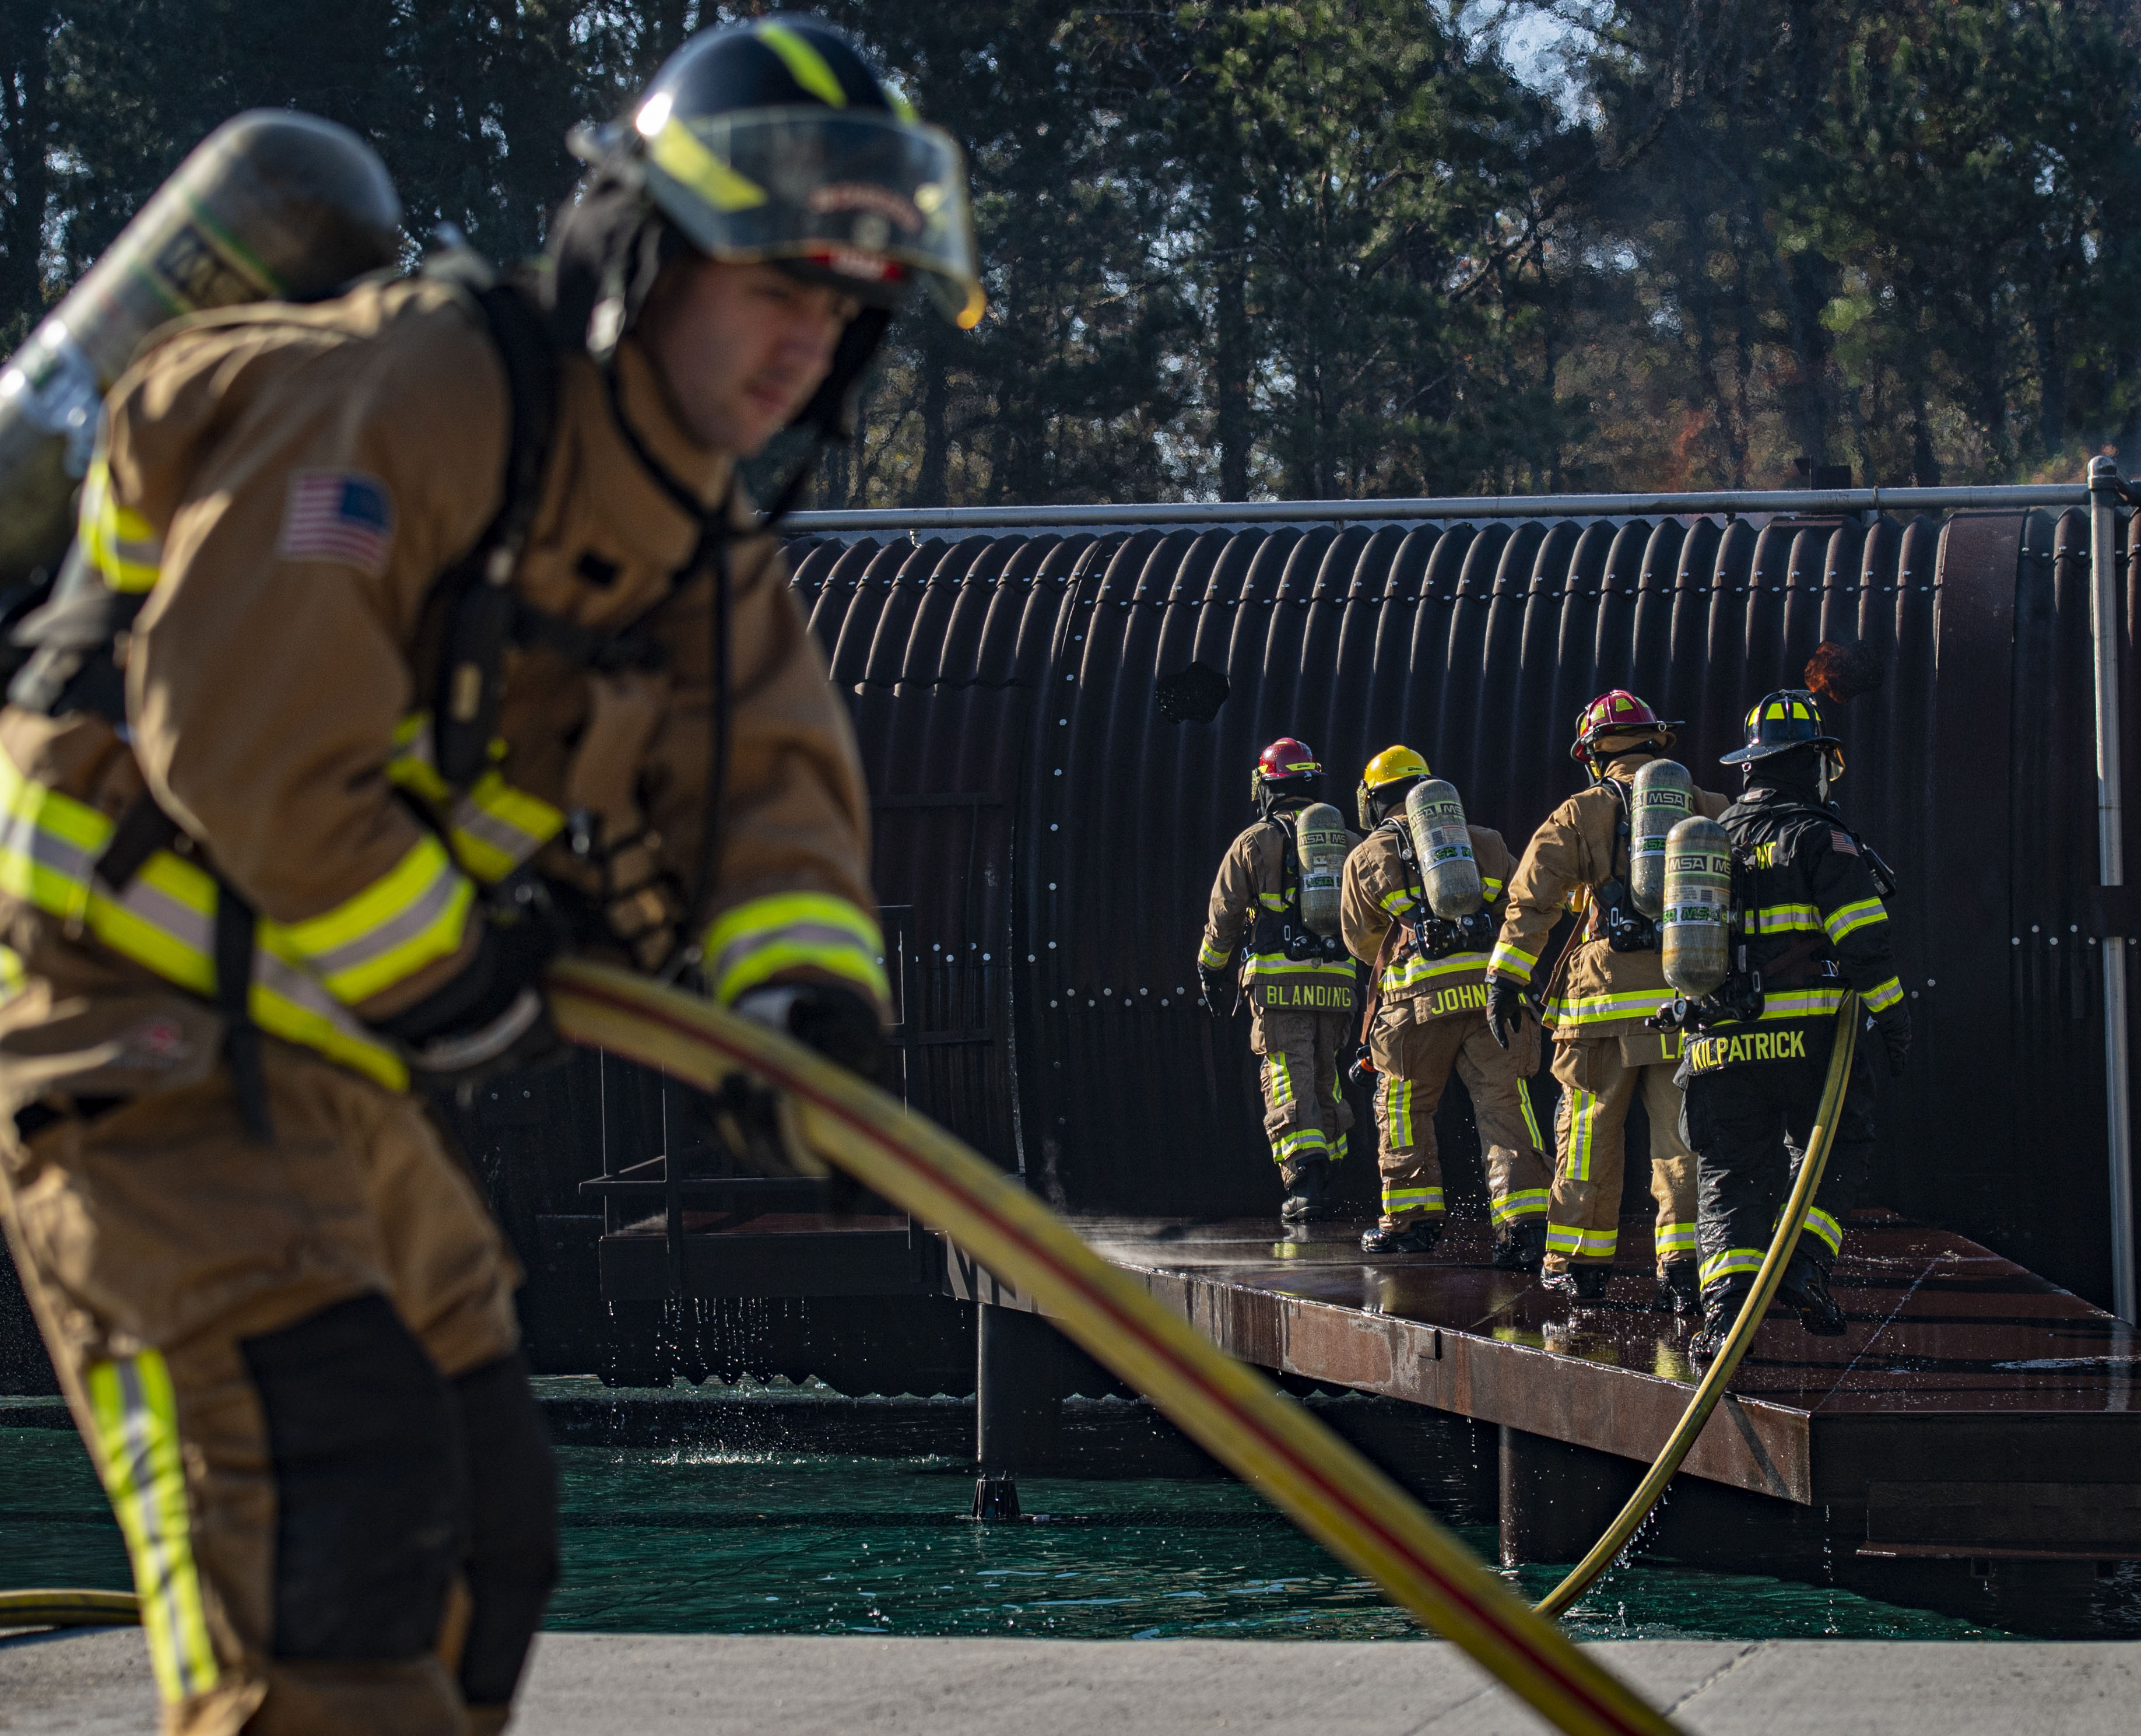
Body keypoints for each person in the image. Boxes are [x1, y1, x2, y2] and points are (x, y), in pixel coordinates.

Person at [0, 16, 978, 1733]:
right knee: (336, 1507)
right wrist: (462, 970)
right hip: (128, 1040)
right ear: (641, 257)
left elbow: (769, 797)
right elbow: (253, 744)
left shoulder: (691, 531)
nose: (802, 345)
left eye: (837, 313)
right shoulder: (410, 394)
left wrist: (801, 1005)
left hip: (323, 1066)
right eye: (772, 287)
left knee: (485, 1525)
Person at [1675, 689, 1911, 1356]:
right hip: (1808, 1040)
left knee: (1729, 1175)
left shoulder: (1707, 841)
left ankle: (1723, 1317)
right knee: (1836, 1146)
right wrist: (1895, 1021)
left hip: (1718, 1045)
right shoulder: (1818, 836)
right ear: (1811, 764)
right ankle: (1804, 1263)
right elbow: (1864, 940)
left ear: (1750, 767)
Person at [1483, 690, 1729, 1307]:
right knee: (1682, 1138)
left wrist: (1507, 978)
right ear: (1655, 743)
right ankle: (1684, 1268)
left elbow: (1532, 896)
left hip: (1602, 1008)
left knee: (1591, 1132)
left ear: (1594, 754)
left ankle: (1582, 1266)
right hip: (1685, 999)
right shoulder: (1710, 807)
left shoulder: (1582, 811)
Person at [1338, 747, 1549, 1262]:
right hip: (1489, 997)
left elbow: (1361, 941)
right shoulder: (1487, 842)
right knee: (1506, 1105)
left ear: (1375, 799)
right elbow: (1522, 909)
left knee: (1404, 1109)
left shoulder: (1365, 856)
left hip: (1414, 1006)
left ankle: (1411, 1224)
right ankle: (1524, 1225)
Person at [1199, 738, 1359, 1221]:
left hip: (1278, 985)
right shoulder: (1349, 842)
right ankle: (1327, 1173)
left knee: (1289, 1078)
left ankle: (1304, 1183)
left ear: (1267, 788)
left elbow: (1224, 913)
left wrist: (1211, 969)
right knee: (1326, 1078)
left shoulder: (1254, 842)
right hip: (1336, 985)